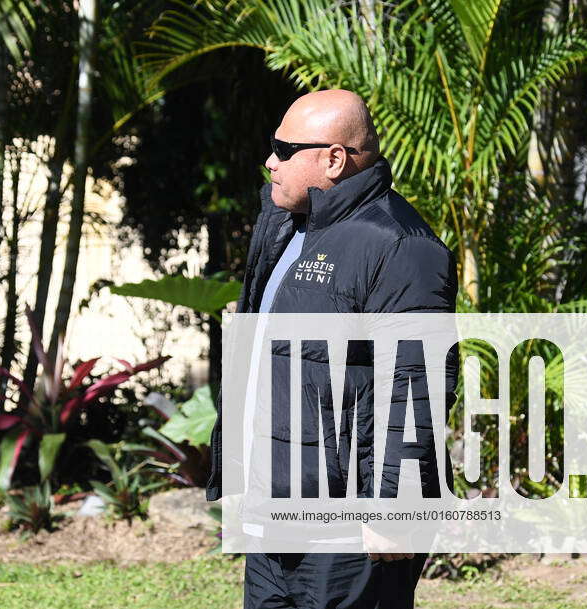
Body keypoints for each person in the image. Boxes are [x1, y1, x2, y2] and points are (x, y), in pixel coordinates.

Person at [205, 89, 457, 608]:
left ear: (334, 159)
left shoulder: (401, 246)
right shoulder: (282, 223)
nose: (269, 161)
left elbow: (417, 382)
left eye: (283, 148)